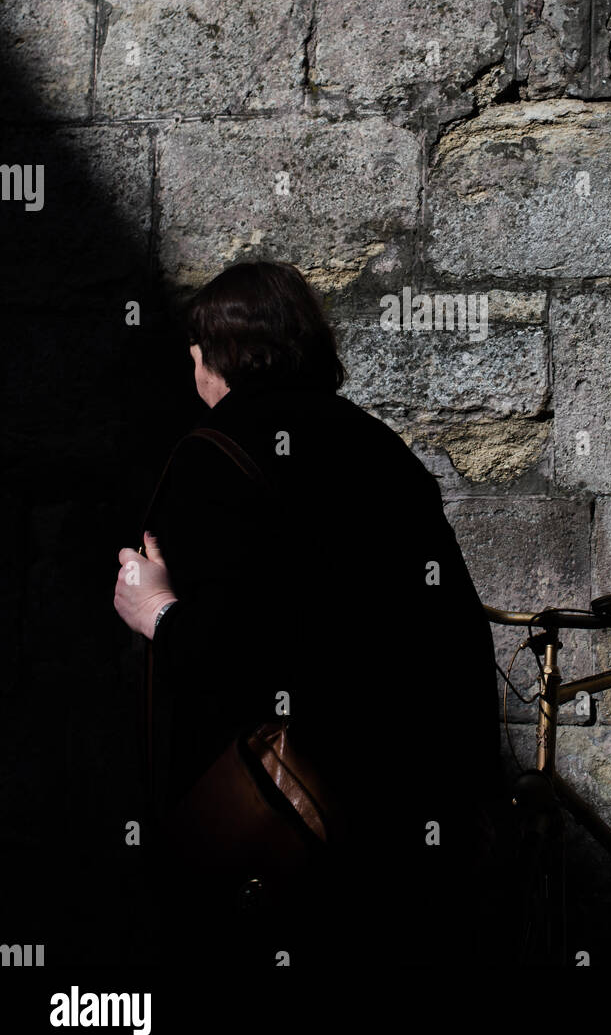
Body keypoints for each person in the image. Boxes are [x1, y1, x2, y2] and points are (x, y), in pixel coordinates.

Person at [113, 261, 505, 968]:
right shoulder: (377, 447)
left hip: (285, 826)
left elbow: (235, 653)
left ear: (217, 355)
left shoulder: (213, 457)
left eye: (196, 353)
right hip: (407, 810)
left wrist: (156, 610)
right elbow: (453, 626)